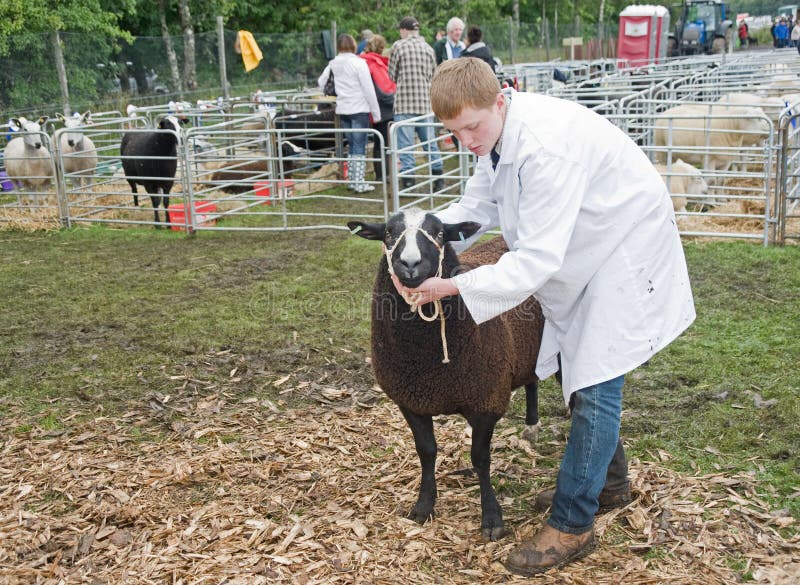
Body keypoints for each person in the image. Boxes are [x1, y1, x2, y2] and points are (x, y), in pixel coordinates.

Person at [394, 58, 696, 575]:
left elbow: (533, 261)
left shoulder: (544, 148)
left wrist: (453, 285)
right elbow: (475, 207)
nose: (466, 140)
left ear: (499, 100)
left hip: (624, 244)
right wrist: (420, 240)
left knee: (596, 379)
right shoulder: (495, 138)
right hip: (589, 245)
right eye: (454, 132)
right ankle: (611, 483)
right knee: (582, 367)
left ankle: (573, 525)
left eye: (472, 126)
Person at [318, 33, 381, 193]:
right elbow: (368, 89)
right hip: (359, 108)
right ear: (353, 45)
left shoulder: (333, 63)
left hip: (343, 109)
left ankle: (353, 181)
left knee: (352, 145)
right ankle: (359, 182)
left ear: (338, 46)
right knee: (359, 146)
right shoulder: (358, 63)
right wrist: (376, 112)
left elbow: (321, 82)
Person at [388, 16, 444, 192]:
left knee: (406, 145)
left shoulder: (398, 46)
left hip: (404, 103)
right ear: (417, 30)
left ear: (403, 30)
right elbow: (433, 74)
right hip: (425, 103)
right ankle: (438, 178)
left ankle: (409, 183)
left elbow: (391, 75)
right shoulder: (428, 48)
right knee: (430, 142)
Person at [360, 34, 395, 182]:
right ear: (381, 48)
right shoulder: (375, 64)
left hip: (370, 108)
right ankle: (384, 174)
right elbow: (384, 89)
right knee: (385, 143)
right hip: (383, 109)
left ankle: (380, 174)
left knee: (377, 142)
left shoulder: (363, 62)